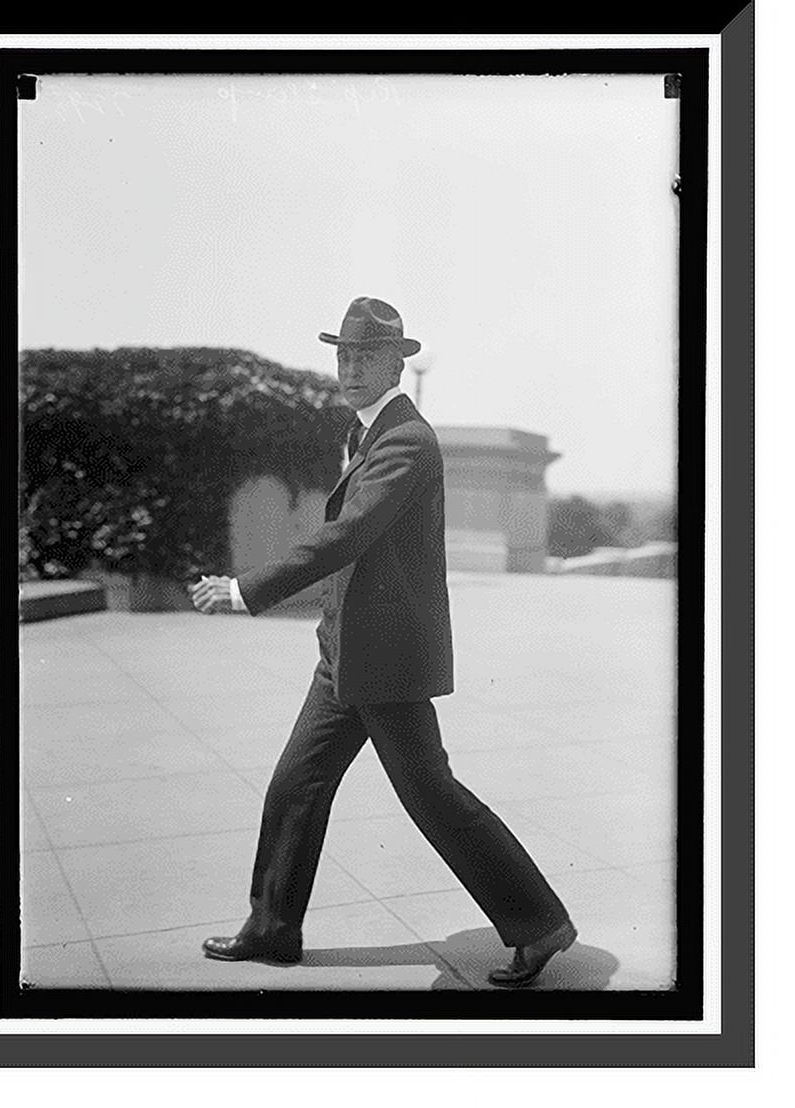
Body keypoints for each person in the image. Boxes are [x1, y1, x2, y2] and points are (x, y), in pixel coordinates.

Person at [190, 296, 577, 987]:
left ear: (398, 362)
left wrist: (250, 590)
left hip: (388, 660)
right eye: (342, 354)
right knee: (294, 787)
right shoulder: (365, 431)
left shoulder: (406, 439)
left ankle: (541, 924)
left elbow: (350, 534)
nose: (349, 367)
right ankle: (272, 929)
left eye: (366, 356)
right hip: (344, 653)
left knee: (432, 797)